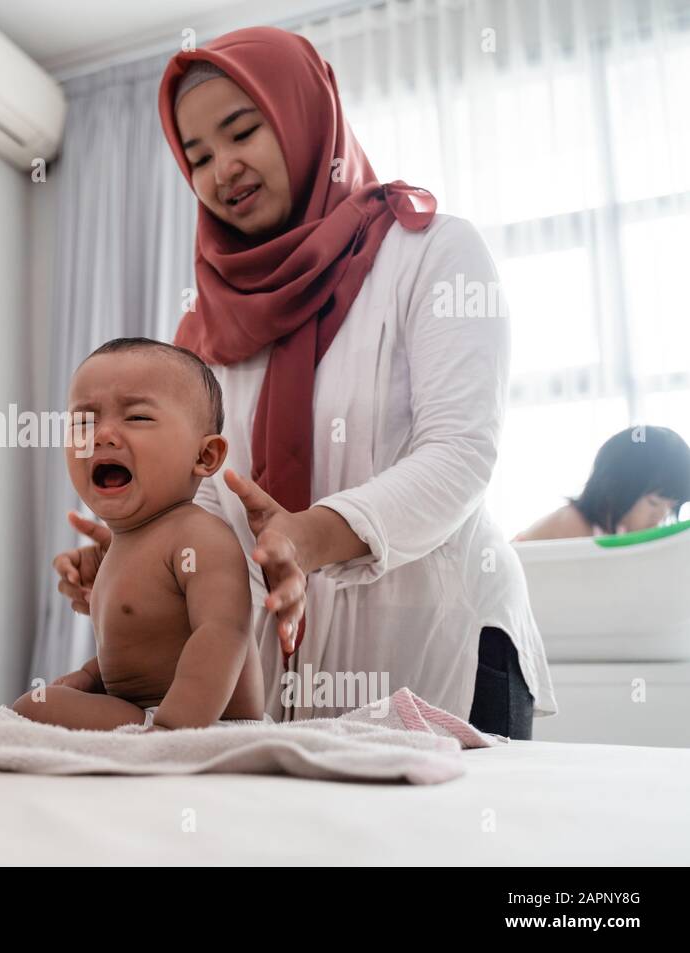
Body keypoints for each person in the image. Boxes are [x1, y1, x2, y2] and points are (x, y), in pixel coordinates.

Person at [51, 27, 555, 740]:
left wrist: (310, 537)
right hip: (275, 661)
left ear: (302, 115)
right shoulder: (203, 325)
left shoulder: (432, 252)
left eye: (241, 132)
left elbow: (460, 454)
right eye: (196, 157)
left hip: (437, 632)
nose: (222, 169)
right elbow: (200, 505)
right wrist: (134, 570)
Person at [14, 338, 264, 731]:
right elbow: (139, 647)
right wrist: (90, 676)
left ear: (205, 456)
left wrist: (172, 730)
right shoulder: (121, 547)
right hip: (143, 714)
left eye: (137, 418)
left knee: (34, 706)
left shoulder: (199, 536)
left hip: (203, 721)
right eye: (84, 421)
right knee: (38, 702)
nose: (102, 435)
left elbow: (222, 632)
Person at [515, 426, 690, 541]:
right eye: (654, 503)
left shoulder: (618, 531)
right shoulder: (573, 525)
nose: (658, 518)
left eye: (670, 507)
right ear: (617, 488)